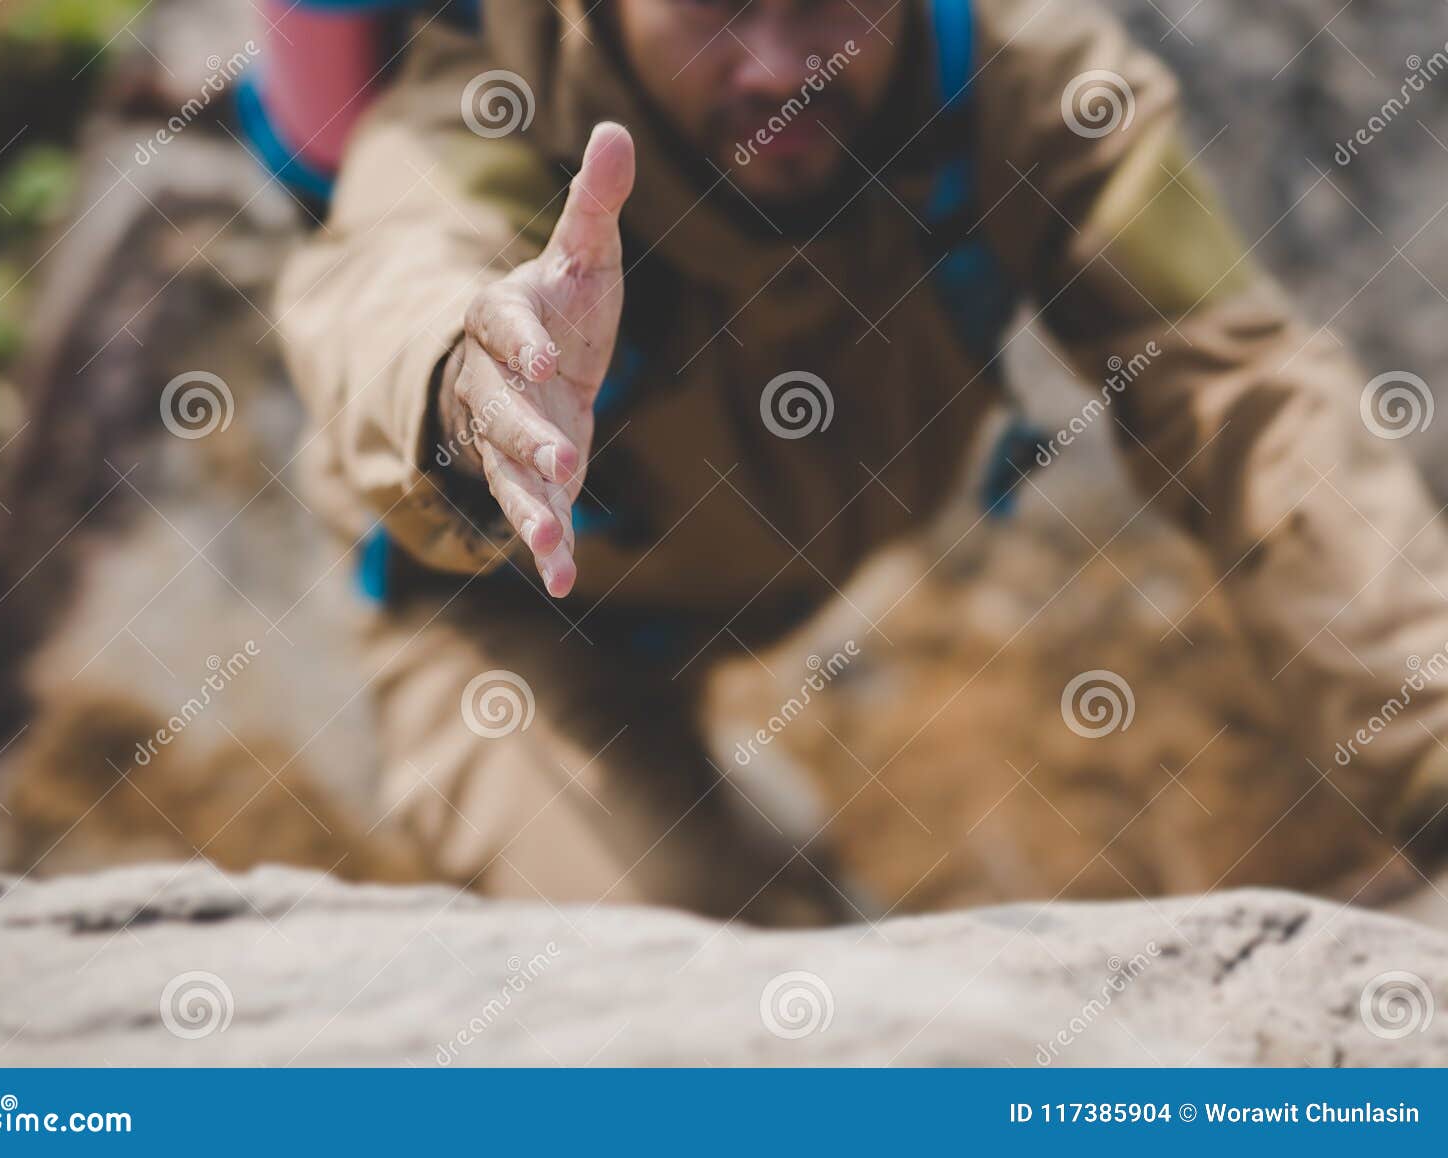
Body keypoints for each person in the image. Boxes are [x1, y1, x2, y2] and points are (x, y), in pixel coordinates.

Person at [276, 0, 1448, 924]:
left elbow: (1238, 394)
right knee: (679, 1038)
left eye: (835, 1)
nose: (784, 66)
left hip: (770, 575)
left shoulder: (1027, 81)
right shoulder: (487, 106)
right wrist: (471, 386)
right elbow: (390, 282)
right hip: (499, 622)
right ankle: (716, 839)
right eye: (714, 4)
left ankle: (748, 836)